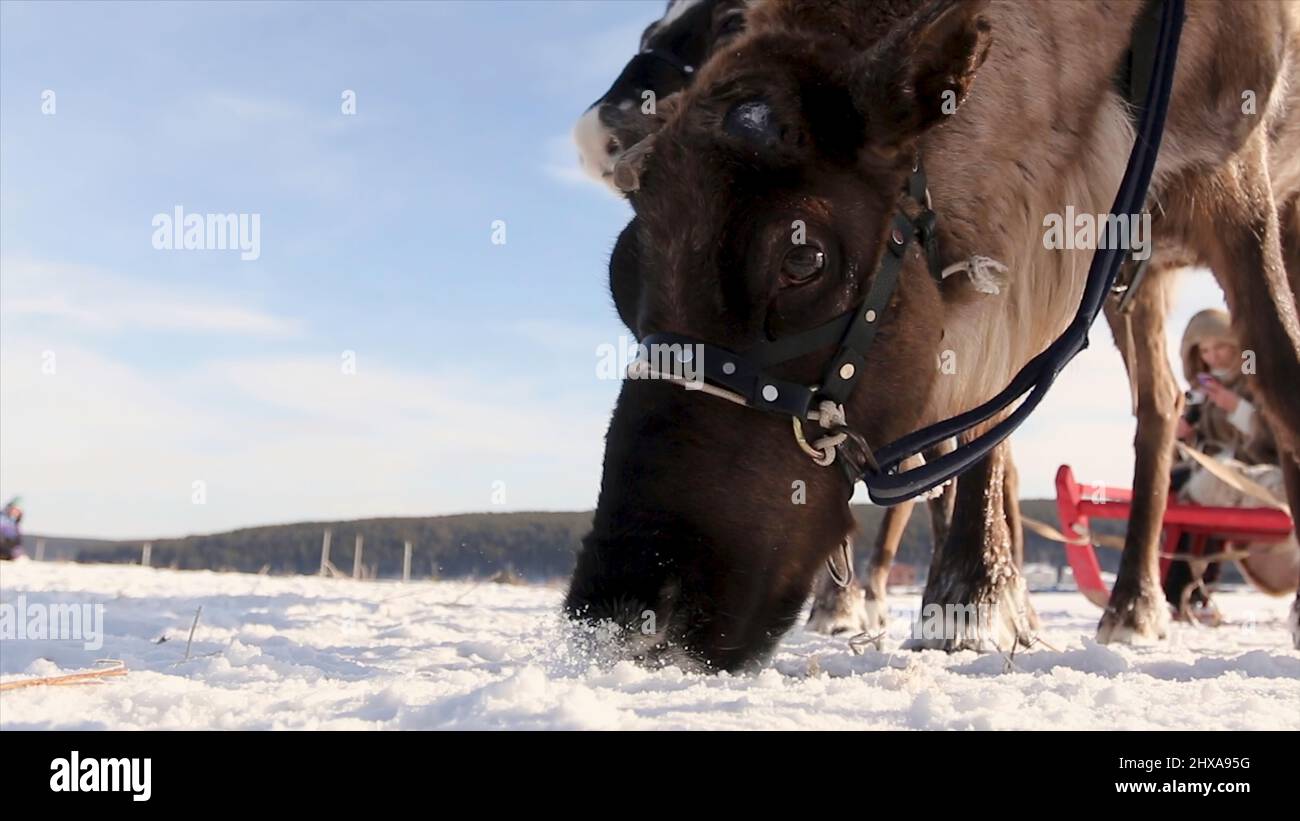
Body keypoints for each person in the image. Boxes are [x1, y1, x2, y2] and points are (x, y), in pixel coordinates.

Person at [1164, 309, 1298, 613]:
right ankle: (1186, 590)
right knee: (1229, 476)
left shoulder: (1259, 387)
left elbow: (1276, 437)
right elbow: (1173, 459)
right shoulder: (1195, 396)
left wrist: (1237, 408)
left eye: (1221, 347)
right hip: (1209, 481)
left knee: (1274, 484)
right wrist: (1180, 435)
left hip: (1251, 479)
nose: (1214, 357)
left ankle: (1196, 591)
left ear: (1238, 347)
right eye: (1206, 350)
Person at [0, 497, 23, 561]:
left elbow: (18, 543)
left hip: (9, 551)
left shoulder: (16, 526)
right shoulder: (3, 519)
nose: (16, 512)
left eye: (18, 511)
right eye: (15, 510)